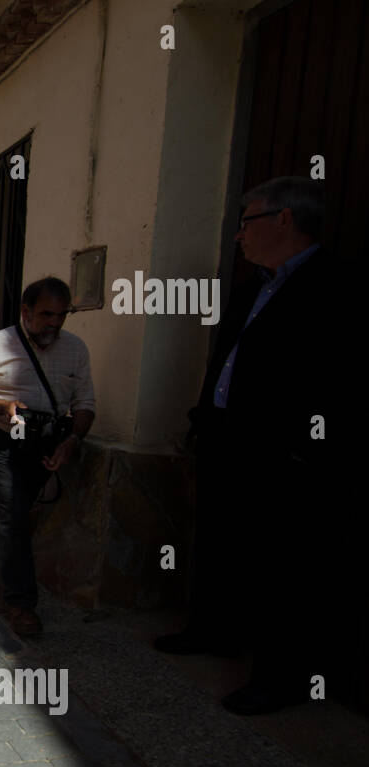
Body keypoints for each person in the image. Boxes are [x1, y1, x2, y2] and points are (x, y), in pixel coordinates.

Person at [156, 177, 338, 715]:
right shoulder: (252, 288)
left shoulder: (332, 285)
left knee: (282, 565)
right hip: (225, 442)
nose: (238, 235)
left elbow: (332, 377)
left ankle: (279, 678)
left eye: (248, 221)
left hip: (283, 452)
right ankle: (214, 631)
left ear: (284, 219)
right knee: (219, 543)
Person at [0, 277, 96, 637]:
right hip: (6, 440)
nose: (54, 323)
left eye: (61, 315)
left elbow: (85, 403)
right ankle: (20, 603)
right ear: (26, 312)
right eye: (46, 314)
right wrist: (1, 405)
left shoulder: (76, 349)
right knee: (16, 512)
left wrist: (71, 440)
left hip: (48, 442)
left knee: (17, 507)